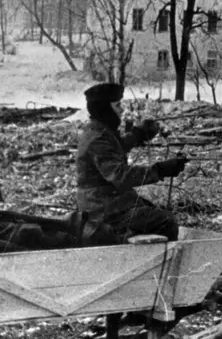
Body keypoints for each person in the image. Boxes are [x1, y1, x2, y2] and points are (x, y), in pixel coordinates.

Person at [76, 82, 187, 241]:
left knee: (150, 210)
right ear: (105, 109)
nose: (122, 110)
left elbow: (116, 147)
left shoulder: (98, 130)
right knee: (166, 221)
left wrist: (138, 134)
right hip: (102, 209)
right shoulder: (98, 138)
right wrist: (161, 170)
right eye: (117, 105)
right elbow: (120, 176)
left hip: (106, 203)